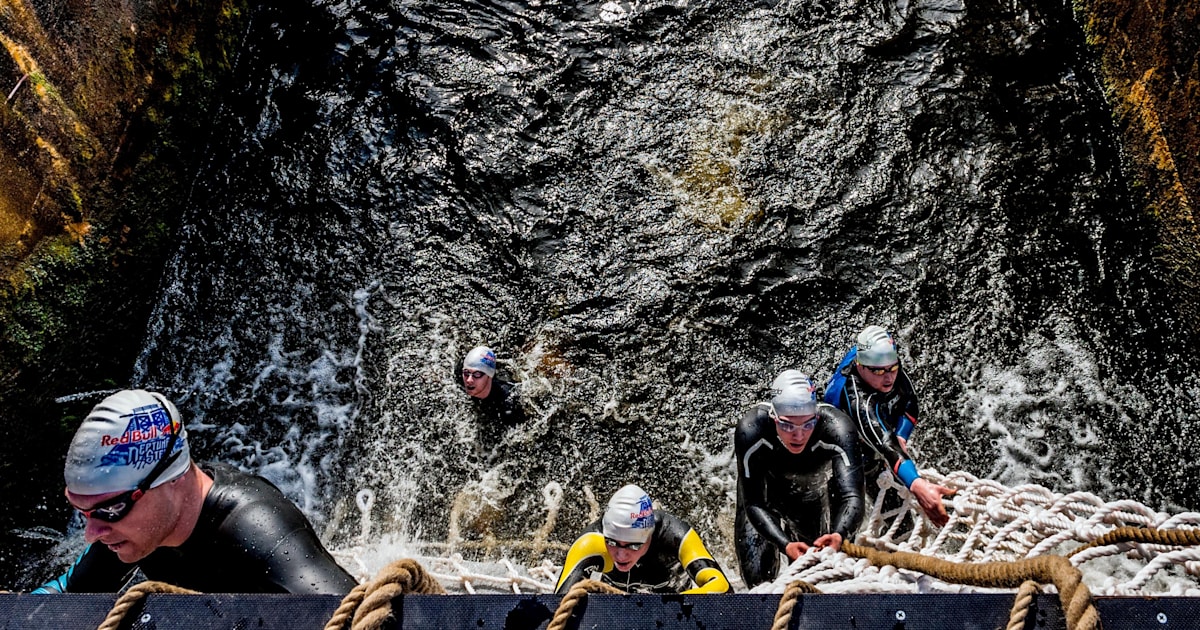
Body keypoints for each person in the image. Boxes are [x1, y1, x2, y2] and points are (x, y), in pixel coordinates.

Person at [33, 389, 357, 594]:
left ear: (169, 480)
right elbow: (68, 594)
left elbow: (357, 617)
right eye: (84, 512)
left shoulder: (256, 527)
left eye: (109, 510)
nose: (92, 532)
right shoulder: (133, 527)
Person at [735, 370, 864, 588]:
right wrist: (785, 544)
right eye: (787, 425)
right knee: (758, 584)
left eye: (807, 424)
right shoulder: (752, 429)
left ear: (817, 417)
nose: (799, 435)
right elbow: (754, 502)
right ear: (773, 417)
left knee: (814, 578)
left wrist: (839, 535)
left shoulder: (837, 428)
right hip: (762, 501)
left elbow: (852, 496)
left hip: (807, 500)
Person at [824, 325, 955, 527]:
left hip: (872, 441)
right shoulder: (858, 401)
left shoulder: (882, 360)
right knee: (842, 528)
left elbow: (910, 404)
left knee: (902, 526)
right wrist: (917, 485)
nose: (889, 377)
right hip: (840, 458)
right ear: (860, 367)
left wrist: (901, 435)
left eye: (893, 368)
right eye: (879, 372)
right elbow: (886, 443)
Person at [554, 484, 731, 594]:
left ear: (649, 536)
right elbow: (559, 608)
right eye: (613, 543)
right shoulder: (592, 541)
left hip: (675, 615)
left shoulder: (675, 536)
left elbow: (722, 588)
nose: (621, 555)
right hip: (613, 614)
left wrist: (674, 608)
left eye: (633, 545)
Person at [460, 345, 526, 425]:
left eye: (477, 374)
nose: (469, 380)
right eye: (466, 373)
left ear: (489, 375)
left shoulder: (509, 403)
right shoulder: (459, 384)